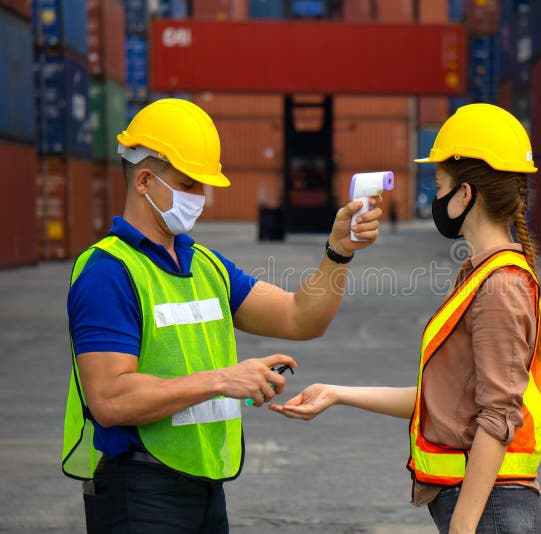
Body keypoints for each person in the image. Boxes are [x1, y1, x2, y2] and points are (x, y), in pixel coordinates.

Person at [62, 98, 382, 533]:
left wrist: (339, 251)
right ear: (144, 181)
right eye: (188, 184)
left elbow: (300, 318)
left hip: (206, 487)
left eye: (202, 186)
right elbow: (110, 399)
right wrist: (223, 379)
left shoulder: (207, 266)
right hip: (139, 493)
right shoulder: (108, 272)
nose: (200, 198)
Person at [271, 103, 541, 534]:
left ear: (465, 195)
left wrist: (462, 527)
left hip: (490, 510)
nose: (436, 199)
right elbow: (444, 401)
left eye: (440, 188)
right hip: (487, 506)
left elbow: (497, 419)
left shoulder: (500, 286)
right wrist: (337, 394)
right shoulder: (482, 274)